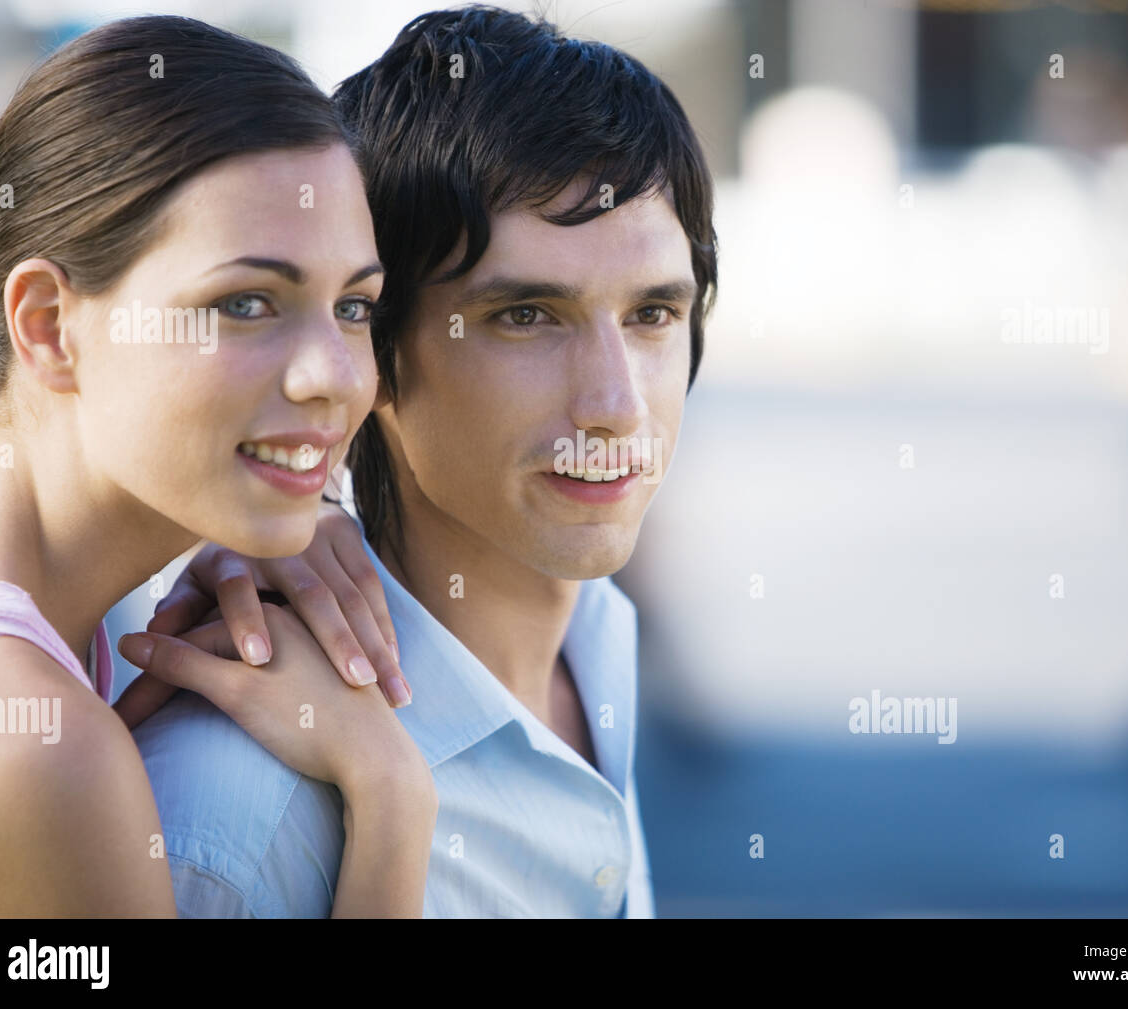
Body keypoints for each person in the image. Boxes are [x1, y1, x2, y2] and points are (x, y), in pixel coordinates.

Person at [129, 5, 716, 917]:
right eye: (525, 316)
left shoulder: (594, 647)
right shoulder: (233, 819)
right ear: (377, 360)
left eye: (652, 314)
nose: (617, 406)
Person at [0, 15, 435, 916]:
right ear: (48, 326)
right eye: (247, 302)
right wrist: (391, 798)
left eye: (356, 306)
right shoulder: (38, 748)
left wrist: (286, 506)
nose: (335, 379)